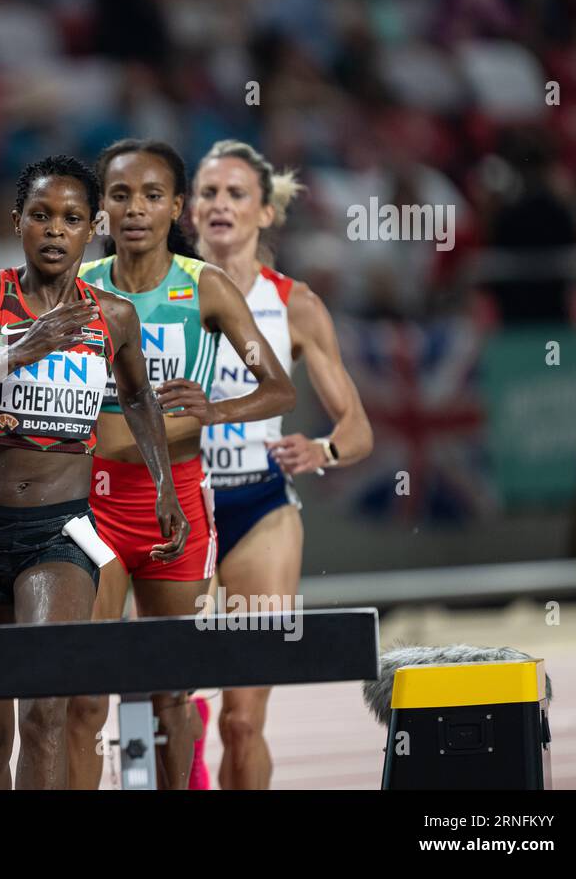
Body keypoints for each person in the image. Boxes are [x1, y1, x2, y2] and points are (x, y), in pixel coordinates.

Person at [0, 154, 185, 790]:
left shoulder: (113, 317)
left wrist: (164, 481)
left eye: (72, 218)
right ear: (17, 222)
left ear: (93, 230)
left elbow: (137, 396)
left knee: (47, 712)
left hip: (59, 534)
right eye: (41, 215)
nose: (55, 229)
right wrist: (13, 356)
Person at [66, 138, 295, 790]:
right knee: (84, 696)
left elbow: (279, 389)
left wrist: (215, 411)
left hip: (176, 505)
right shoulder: (76, 290)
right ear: (101, 211)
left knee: (171, 694)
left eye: (153, 195)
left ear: (178, 208)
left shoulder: (207, 288)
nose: (136, 209)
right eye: (120, 195)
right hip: (91, 508)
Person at [193, 140, 373, 789]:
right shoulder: (154, 295)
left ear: (265, 214)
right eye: (208, 192)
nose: (220, 204)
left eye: (236, 194)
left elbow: (357, 429)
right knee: (173, 709)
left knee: (242, 721)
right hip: (177, 512)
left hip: (260, 508)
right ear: (189, 210)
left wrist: (322, 449)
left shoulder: (294, 305)